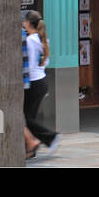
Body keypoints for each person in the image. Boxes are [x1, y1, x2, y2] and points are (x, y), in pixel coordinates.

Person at [22, 10, 60, 159]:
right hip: (42, 80)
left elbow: (29, 65)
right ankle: (30, 149)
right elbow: (45, 61)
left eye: (24, 21)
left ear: (28, 23)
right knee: (28, 116)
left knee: (24, 118)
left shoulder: (30, 40)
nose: (22, 23)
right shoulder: (42, 39)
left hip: (33, 82)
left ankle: (50, 137)